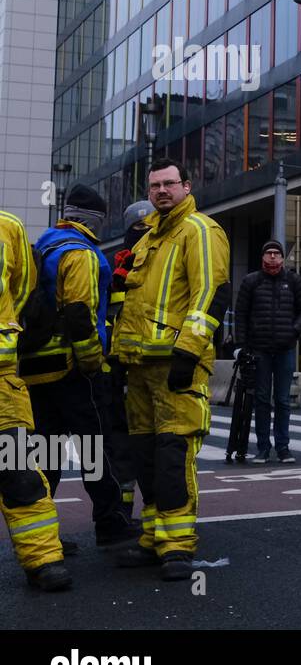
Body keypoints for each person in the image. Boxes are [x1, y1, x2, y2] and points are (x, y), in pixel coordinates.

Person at [113, 159, 231, 582]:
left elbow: (210, 292)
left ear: (186, 185)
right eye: (155, 186)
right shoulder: (147, 239)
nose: (162, 191)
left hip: (175, 365)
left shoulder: (199, 229)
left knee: (173, 455)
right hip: (140, 368)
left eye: (169, 184)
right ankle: (154, 537)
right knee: (145, 458)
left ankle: (178, 545)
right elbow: (131, 307)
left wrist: (187, 352)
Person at [19, 185, 135, 549]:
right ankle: (110, 522)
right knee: (95, 450)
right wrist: (91, 363)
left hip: (37, 366)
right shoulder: (81, 253)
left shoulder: (42, 246)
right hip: (73, 369)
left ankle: (45, 531)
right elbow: (79, 313)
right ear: (91, 220)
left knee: (47, 452)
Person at [0, 210, 71, 591]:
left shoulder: (8, 227)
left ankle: (43, 559)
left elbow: (25, 291)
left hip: (0, 383)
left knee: (19, 474)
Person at [234, 239, 301, 464]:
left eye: (277, 253)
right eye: (269, 253)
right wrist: (241, 346)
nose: (273, 257)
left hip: (285, 349)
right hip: (259, 349)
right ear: (263, 257)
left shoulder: (293, 280)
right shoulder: (251, 281)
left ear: (282, 257)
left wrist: (293, 331)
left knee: (283, 400)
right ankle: (263, 448)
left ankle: (283, 448)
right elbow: (241, 315)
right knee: (261, 400)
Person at [104, 199, 155, 516]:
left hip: (148, 362)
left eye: (146, 227)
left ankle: (151, 509)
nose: (142, 233)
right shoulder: (113, 266)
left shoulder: (160, 261)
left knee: (147, 439)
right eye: (138, 227)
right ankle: (121, 510)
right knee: (120, 441)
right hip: (116, 365)